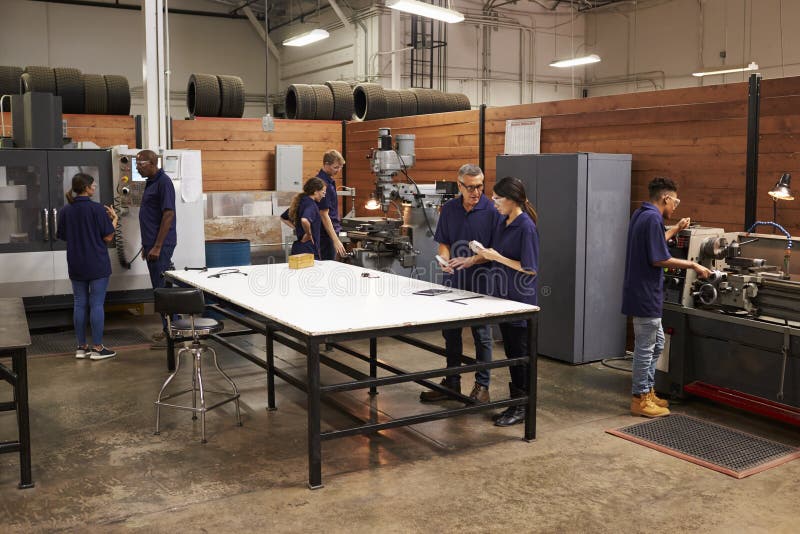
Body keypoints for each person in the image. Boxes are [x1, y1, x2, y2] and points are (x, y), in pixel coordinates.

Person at [622, 176, 711, 417]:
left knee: (657, 342)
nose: (675, 207)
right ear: (666, 198)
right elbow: (658, 258)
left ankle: (648, 390)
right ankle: (639, 399)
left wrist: (676, 229)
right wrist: (693, 266)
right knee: (645, 347)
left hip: (643, 292)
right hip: (645, 294)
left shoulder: (641, 214)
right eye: (675, 202)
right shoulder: (652, 218)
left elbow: (655, 244)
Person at [419, 164, 499, 404]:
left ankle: (482, 387)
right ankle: (452, 382)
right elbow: (444, 241)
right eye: (471, 187)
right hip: (453, 281)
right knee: (450, 333)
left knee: (482, 335)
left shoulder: (492, 211)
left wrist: (472, 260)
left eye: (480, 186)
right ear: (460, 185)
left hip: (482, 282)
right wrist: (444, 259)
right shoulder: (451, 209)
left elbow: (495, 251)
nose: (476, 192)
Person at [475, 176, 539, 426]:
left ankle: (521, 407)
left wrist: (497, 257)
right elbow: (498, 254)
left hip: (519, 301)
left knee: (519, 355)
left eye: (497, 198)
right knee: (513, 353)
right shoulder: (504, 222)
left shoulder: (526, 227)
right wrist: (483, 253)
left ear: (512, 200)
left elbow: (530, 268)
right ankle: (517, 404)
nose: (494, 203)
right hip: (503, 297)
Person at [56, 173, 118, 360]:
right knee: (96, 304)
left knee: (79, 303)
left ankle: (81, 347)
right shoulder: (97, 209)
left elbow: (64, 236)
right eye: (93, 184)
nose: (95, 186)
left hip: (76, 263)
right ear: (86, 188)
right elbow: (108, 237)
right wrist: (114, 218)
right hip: (97, 263)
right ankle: (98, 348)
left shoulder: (66, 210)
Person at [136, 150, 177, 349]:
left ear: (152, 163)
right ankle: (169, 328)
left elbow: (168, 214)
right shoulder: (151, 182)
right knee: (159, 290)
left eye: (140, 164)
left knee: (163, 291)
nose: (136, 167)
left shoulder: (164, 182)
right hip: (152, 246)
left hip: (161, 246)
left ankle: (173, 334)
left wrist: (158, 246)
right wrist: (147, 245)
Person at [280, 177, 327, 259]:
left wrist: (297, 227)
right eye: (323, 192)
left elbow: (283, 217)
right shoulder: (311, 205)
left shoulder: (301, 201)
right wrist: (309, 234)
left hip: (298, 248)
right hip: (308, 249)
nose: (324, 195)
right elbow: (304, 220)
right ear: (315, 191)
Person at [315, 150, 347, 261]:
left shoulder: (329, 181)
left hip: (330, 231)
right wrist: (335, 240)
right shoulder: (322, 183)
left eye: (340, 167)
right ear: (326, 164)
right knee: (326, 265)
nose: (338, 170)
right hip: (325, 234)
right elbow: (323, 214)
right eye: (335, 167)